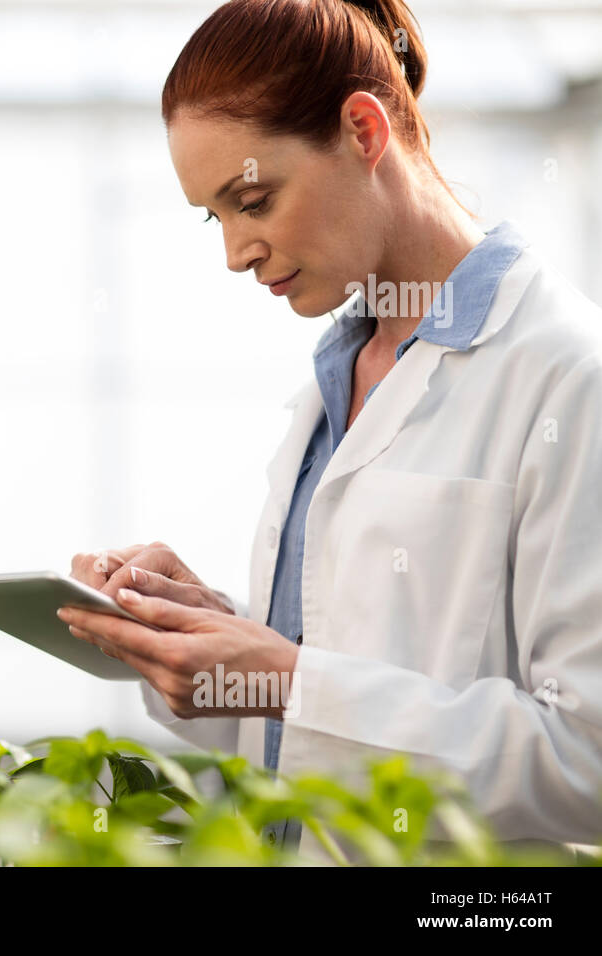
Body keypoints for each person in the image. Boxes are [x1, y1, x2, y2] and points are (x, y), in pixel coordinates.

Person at [58, 0, 602, 862]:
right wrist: (208, 640)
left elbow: (588, 763)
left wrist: (290, 679)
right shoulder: (337, 377)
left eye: (253, 199)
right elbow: (321, 706)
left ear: (361, 129)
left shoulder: (568, 377)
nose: (236, 252)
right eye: (216, 216)